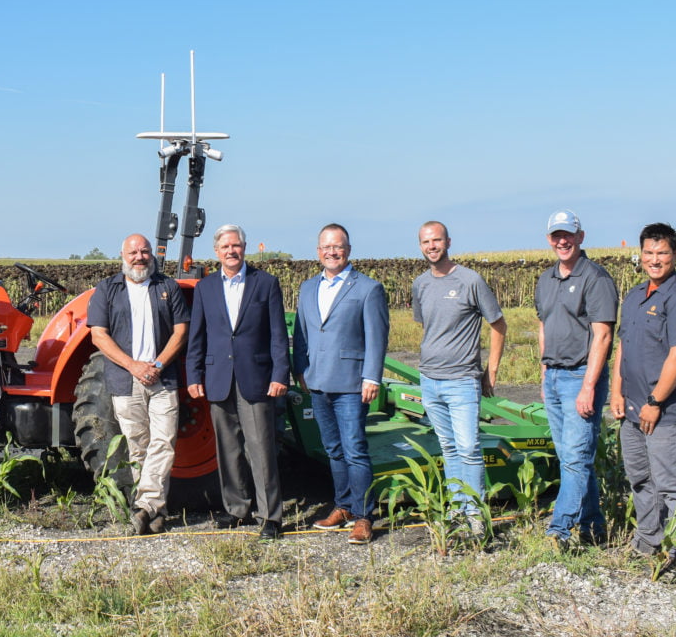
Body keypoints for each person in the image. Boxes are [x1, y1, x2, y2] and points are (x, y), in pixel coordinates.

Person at [186, 224, 290, 540]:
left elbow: (277, 335)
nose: (232, 251)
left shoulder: (265, 284)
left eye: (237, 245)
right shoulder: (205, 288)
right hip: (218, 378)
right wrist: (193, 375)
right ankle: (237, 509)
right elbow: (197, 336)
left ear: (244, 248)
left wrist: (279, 374)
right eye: (226, 247)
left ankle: (270, 516)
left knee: (260, 447)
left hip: (255, 377)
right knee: (228, 449)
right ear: (217, 252)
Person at [610, 222, 676, 561]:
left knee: (671, 485)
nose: (655, 259)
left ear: (675, 255)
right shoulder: (635, 295)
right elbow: (623, 347)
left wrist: (654, 401)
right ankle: (648, 543)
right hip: (631, 408)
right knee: (640, 480)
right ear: (640, 254)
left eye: (662, 252)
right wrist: (616, 392)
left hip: (665, 411)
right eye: (649, 252)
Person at [293, 223, 390, 544]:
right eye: (326, 247)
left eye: (338, 247)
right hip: (318, 381)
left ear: (348, 249)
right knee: (333, 450)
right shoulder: (308, 288)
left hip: (351, 382)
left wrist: (372, 376)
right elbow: (303, 336)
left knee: (355, 450)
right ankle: (344, 506)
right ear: (318, 251)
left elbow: (377, 337)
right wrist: (300, 371)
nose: (332, 252)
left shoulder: (367, 288)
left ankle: (364, 516)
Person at [87, 233, 189, 535]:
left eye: (144, 252)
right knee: (138, 446)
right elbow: (98, 335)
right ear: (122, 255)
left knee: (163, 442)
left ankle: (143, 508)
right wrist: (133, 365)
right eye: (133, 252)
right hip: (125, 378)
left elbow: (181, 331)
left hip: (163, 378)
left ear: (152, 255)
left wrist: (157, 365)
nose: (139, 257)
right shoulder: (107, 290)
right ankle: (156, 511)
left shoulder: (167, 287)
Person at [412, 221, 507, 538]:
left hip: (462, 380)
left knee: (469, 447)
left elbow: (498, 324)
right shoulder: (421, 284)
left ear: (448, 241)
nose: (431, 246)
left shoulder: (470, 280)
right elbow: (428, 327)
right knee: (448, 448)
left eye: (436, 240)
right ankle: (456, 509)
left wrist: (490, 370)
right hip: (430, 380)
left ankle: (477, 514)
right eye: (425, 241)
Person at [535, 209, 618, 549]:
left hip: (582, 376)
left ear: (581, 237)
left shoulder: (596, 279)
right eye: (556, 235)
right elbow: (543, 326)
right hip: (554, 376)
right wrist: (543, 375)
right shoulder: (545, 280)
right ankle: (594, 525)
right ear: (549, 240)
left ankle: (560, 529)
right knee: (573, 457)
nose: (562, 241)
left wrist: (588, 386)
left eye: (568, 234)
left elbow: (603, 336)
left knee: (575, 457)